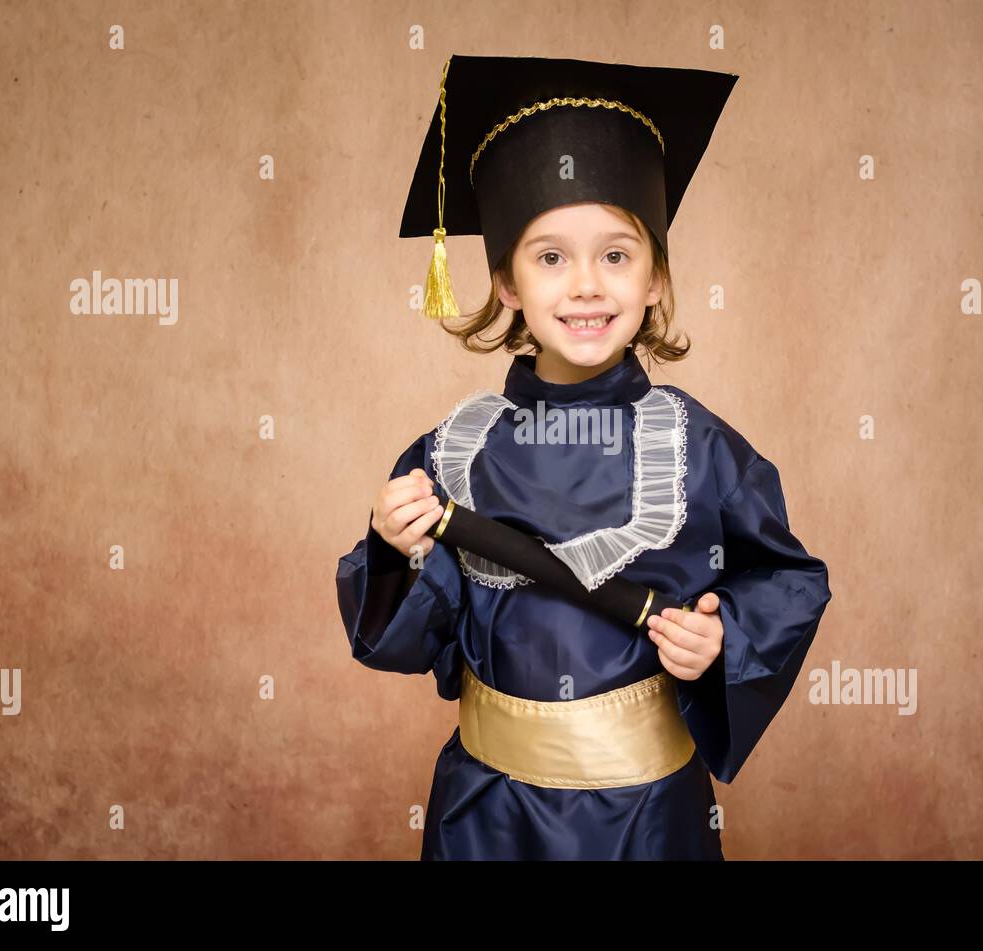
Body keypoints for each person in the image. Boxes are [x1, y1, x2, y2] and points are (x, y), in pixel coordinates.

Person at [336, 54, 832, 860]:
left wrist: (726, 638)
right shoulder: (457, 451)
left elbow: (787, 578)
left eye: (616, 255)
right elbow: (408, 637)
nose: (587, 287)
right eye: (551, 257)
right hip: (486, 817)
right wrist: (397, 550)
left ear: (655, 280)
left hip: (646, 820)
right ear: (506, 282)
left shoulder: (697, 448)